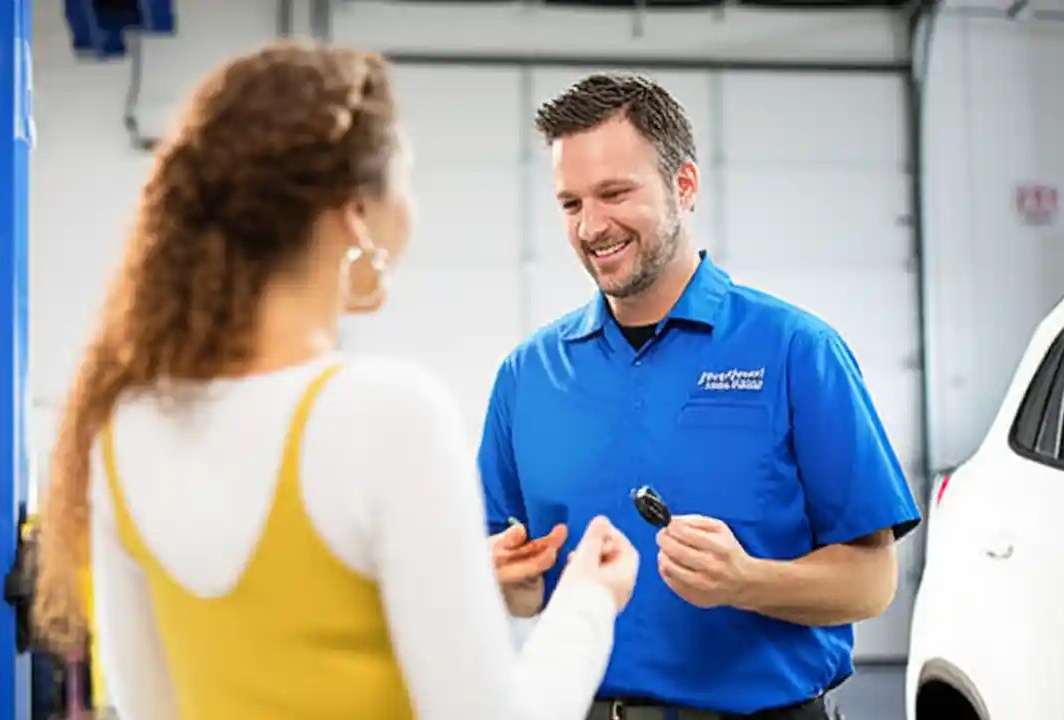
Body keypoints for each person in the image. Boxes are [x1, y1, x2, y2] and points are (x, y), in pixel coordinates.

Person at [31, 42, 642, 720]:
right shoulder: (387, 414)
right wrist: (587, 602)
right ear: (357, 212)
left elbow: (147, 705)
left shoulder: (126, 426)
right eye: (406, 180)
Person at [480, 72, 922, 719]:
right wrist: (507, 583)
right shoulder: (527, 375)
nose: (591, 226)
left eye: (614, 193)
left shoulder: (797, 350)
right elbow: (517, 585)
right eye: (571, 203)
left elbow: (873, 581)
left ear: (684, 187)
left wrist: (749, 581)